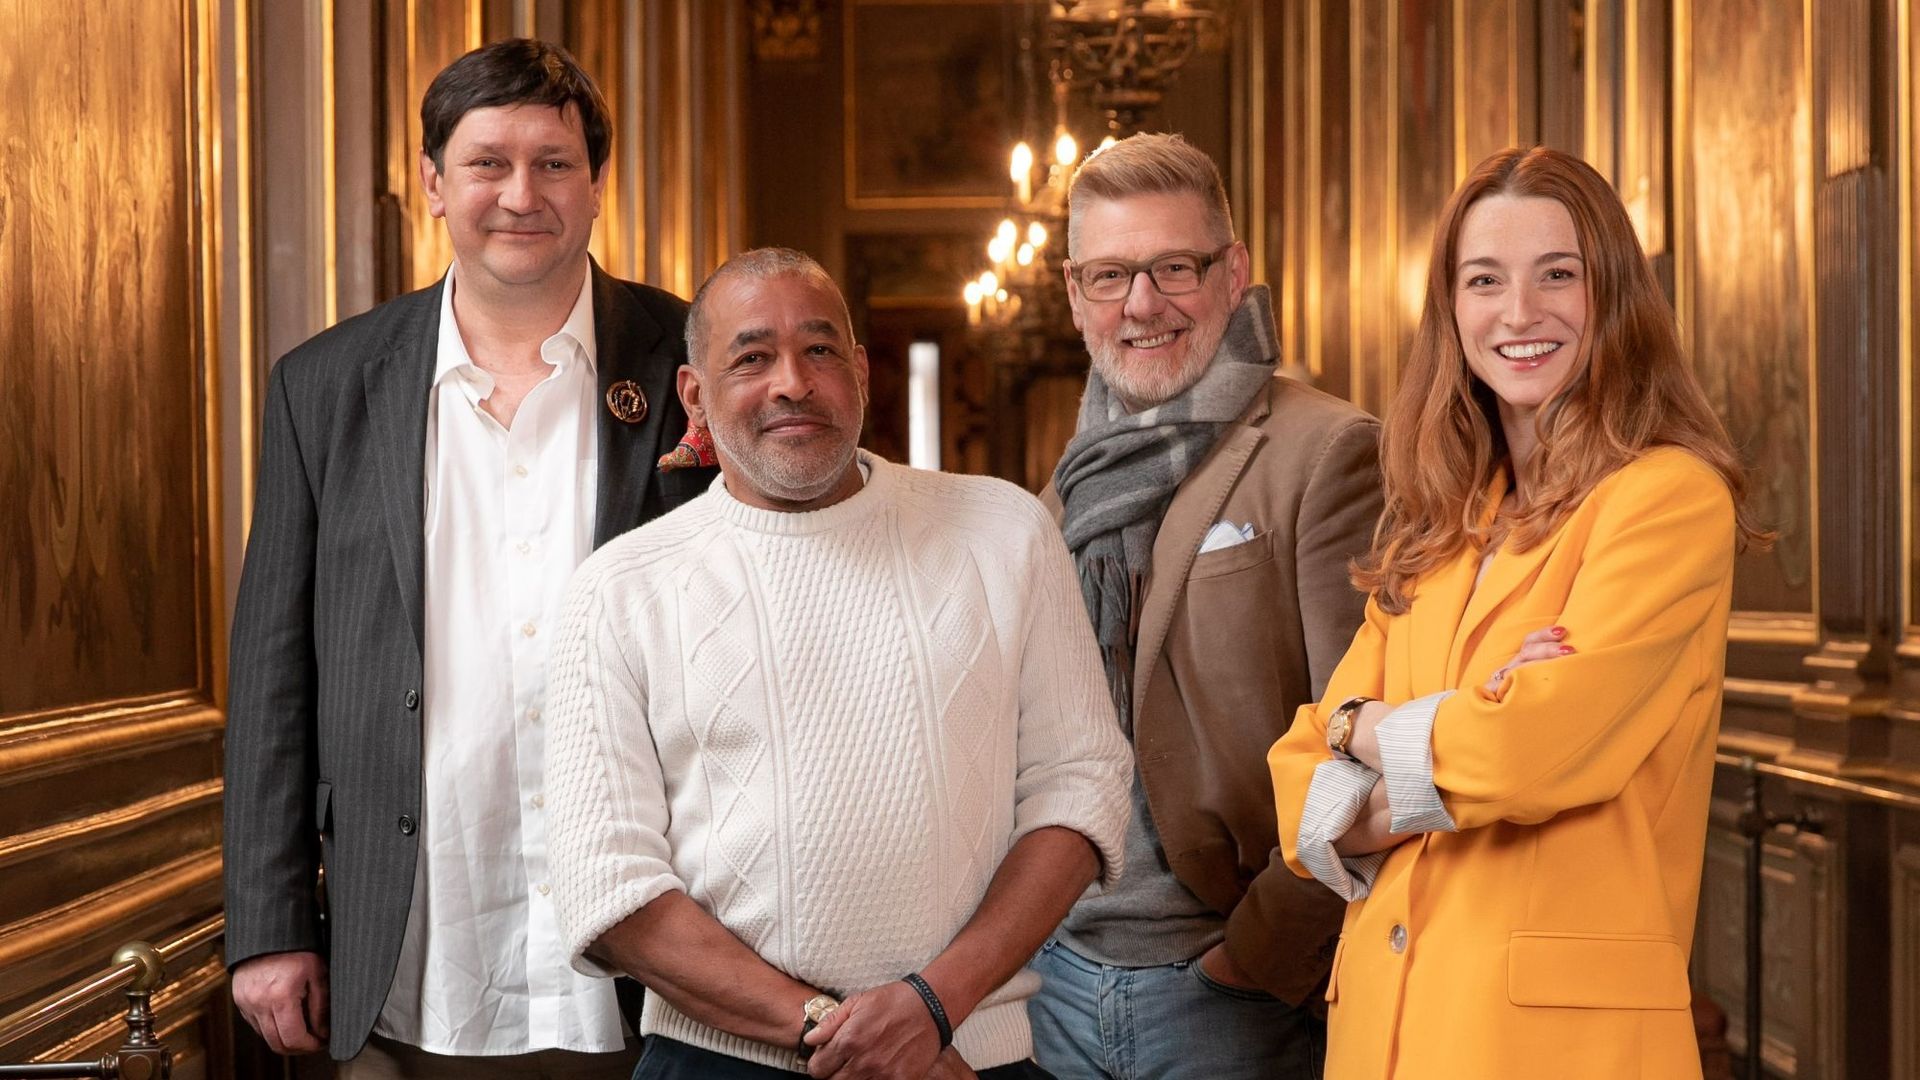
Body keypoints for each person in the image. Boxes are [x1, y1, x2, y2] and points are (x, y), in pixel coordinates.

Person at [223, 38, 716, 1075]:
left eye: (554, 162)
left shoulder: (696, 363)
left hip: (659, 939)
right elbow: (274, 673)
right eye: (488, 162)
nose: (520, 193)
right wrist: (268, 925)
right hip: (412, 945)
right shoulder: (323, 386)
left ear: (594, 187)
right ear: (435, 183)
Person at [542, 247, 1134, 1080]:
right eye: (751, 357)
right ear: (693, 396)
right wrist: (852, 1035)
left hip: (973, 1052)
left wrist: (933, 1008)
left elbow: (1081, 787)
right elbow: (609, 886)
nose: (793, 381)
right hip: (723, 1065)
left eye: (819, 350)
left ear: (859, 372)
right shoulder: (617, 591)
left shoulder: (1005, 532)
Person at [1269, 145, 1765, 1079]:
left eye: (1558, 276)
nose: (1520, 313)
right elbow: (1300, 796)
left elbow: (1528, 756)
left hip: (1558, 1048)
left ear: (1611, 294)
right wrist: (1418, 723)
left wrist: (1366, 732)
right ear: (1452, 310)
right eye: (1485, 279)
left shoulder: (1666, 498)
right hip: (1384, 1037)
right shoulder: (1440, 524)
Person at [1029, 132, 1384, 1079]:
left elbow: (1362, 739)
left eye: (1173, 268)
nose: (1141, 304)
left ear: (1234, 275)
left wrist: (1257, 960)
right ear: (1075, 295)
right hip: (1052, 981)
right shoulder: (1067, 486)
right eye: (1109, 276)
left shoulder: (1327, 450)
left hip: (1222, 990)